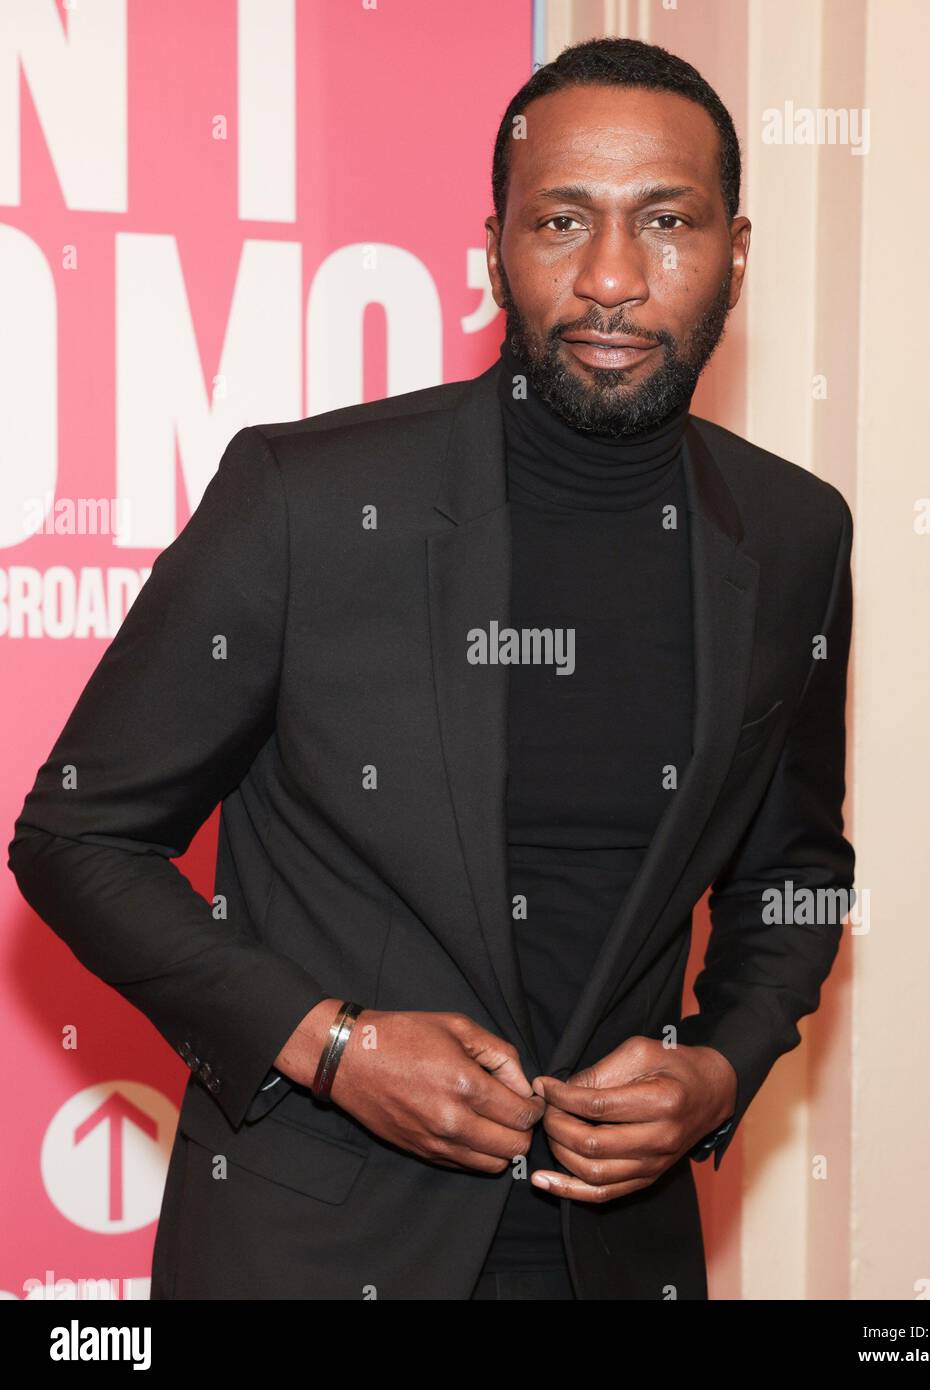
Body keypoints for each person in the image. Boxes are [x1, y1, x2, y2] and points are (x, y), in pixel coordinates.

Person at [8, 36, 855, 1301]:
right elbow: (77, 837)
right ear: (493, 249)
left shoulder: (791, 535)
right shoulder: (306, 500)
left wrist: (719, 1067)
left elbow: (793, 872)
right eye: (560, 220)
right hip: (309, 1250)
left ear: (734, 253)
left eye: (664, 221)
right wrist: (329, 1045)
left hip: (615, 1255)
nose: (611, 278)